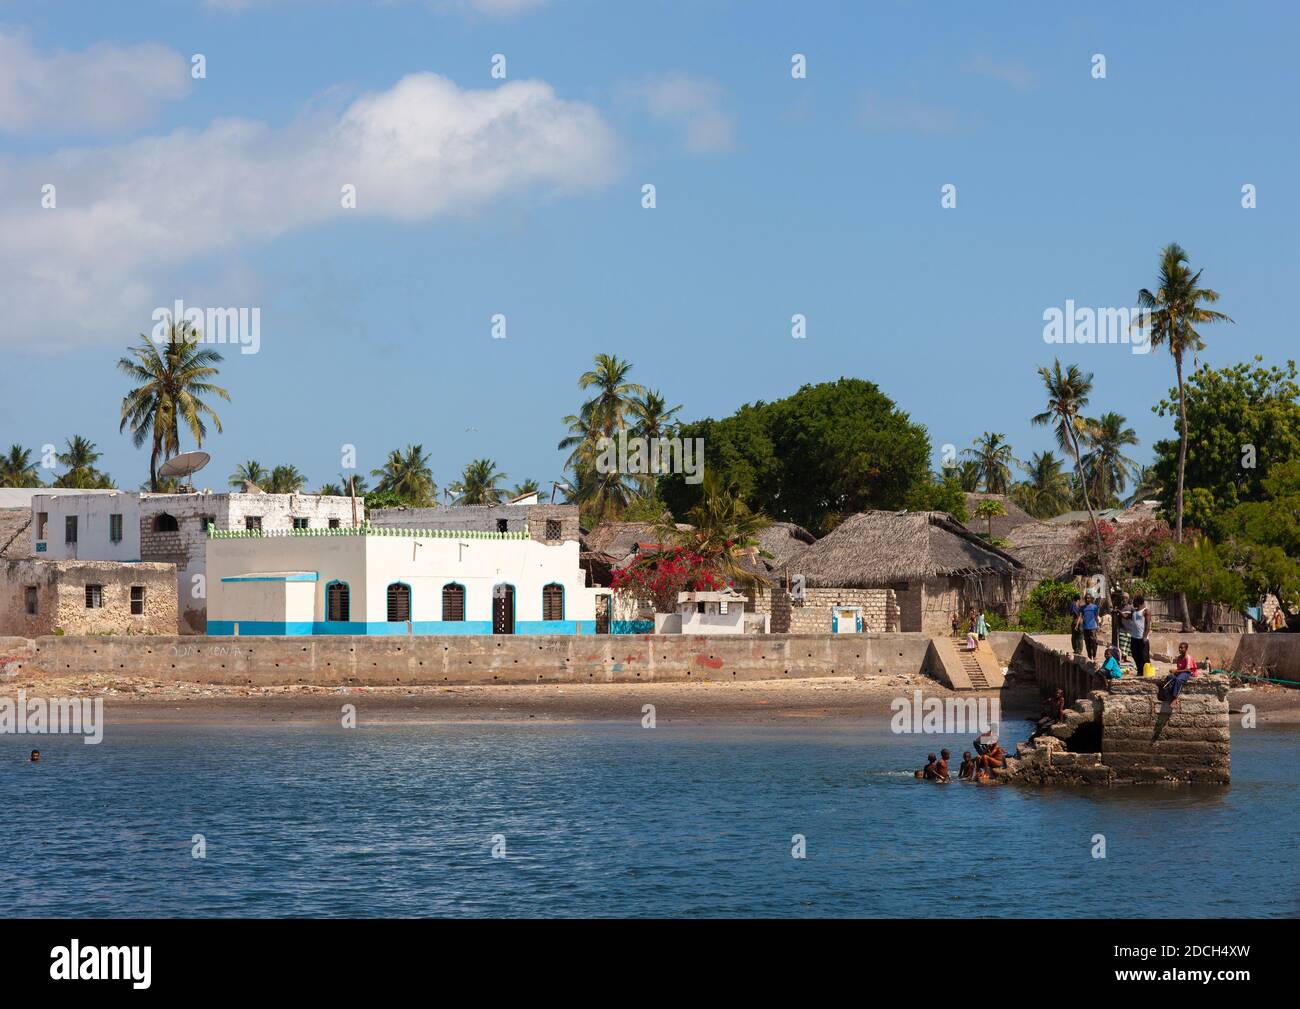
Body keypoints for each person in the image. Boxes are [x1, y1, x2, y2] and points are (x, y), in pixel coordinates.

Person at [1124, 594, 1151, 674]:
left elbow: (1147, 625)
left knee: (1144, 657)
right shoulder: (1134, 612)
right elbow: (1126, 617)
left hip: (1142, 638)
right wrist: (1118, 612)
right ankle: (1140, 671)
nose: (1133, 603)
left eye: (1134, 601)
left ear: (1139, 602)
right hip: (1134, 638)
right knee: (1135, 655)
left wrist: (1145, 637)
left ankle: (1147, 673)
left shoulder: (1146, 611)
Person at [1080, 593, 1100, 661]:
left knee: (1094, 642)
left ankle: (1094, 654)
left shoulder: (1094, 607)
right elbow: (1081, 617)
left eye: (1088, 598)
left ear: (1091, 599)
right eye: (1086, 598)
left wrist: (1098, 626)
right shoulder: (1082, 607)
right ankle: (1089, 656)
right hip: (1085, 627)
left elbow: (1096, 616)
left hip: (1093, 627)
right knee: (1087, 643)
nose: (1087, 599)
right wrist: (1080, 625)